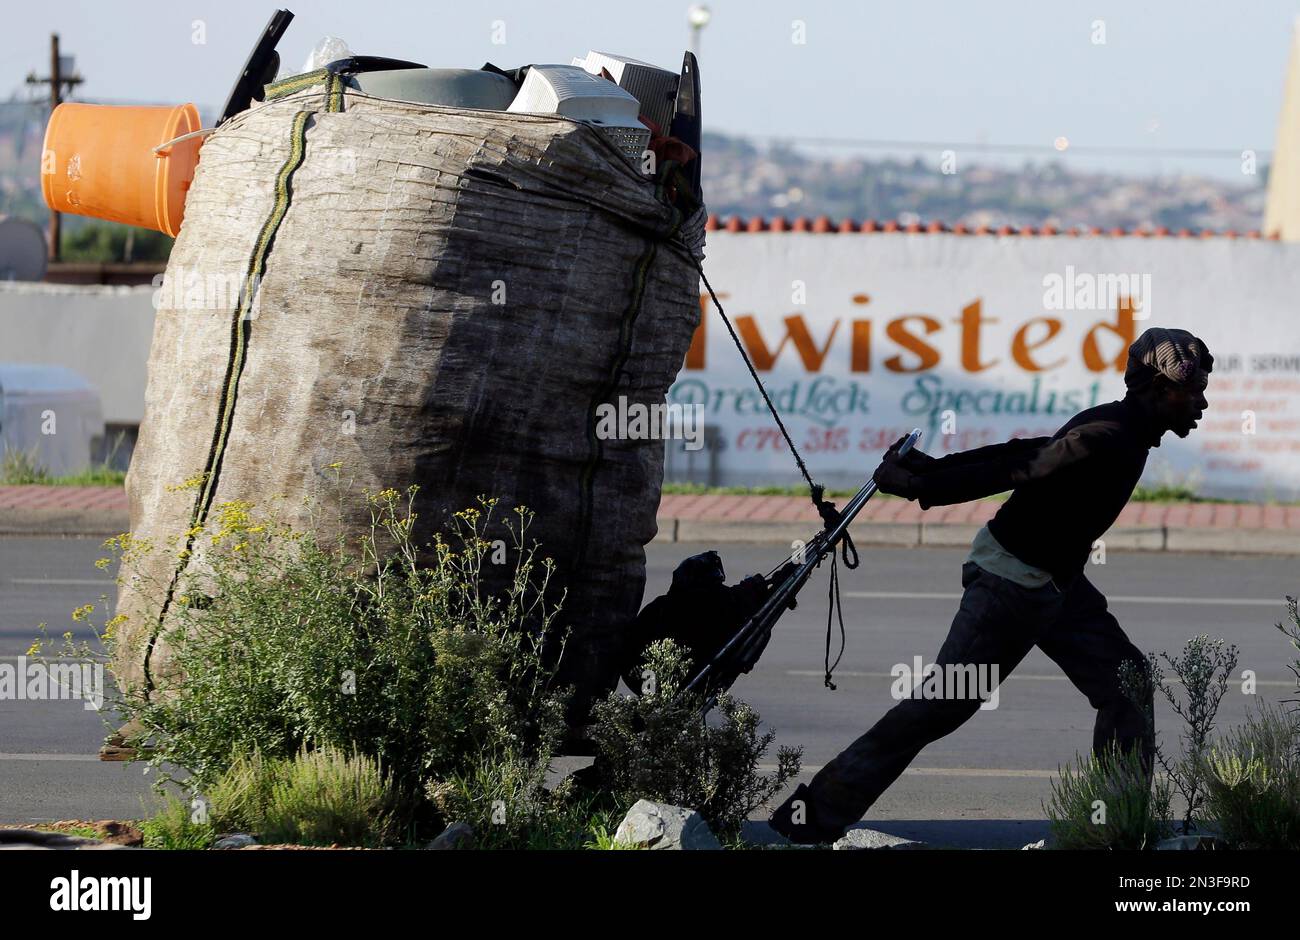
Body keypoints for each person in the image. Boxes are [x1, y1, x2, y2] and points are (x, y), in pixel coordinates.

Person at [768, 326, 1213, 844]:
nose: (1201, 402)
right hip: (1011, 584)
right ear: (1160, 390)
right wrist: (919, 484)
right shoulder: (1108, 434)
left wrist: (930, 470)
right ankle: (810, 817)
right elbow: (1016, 467)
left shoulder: (1118, 426)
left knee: (1128, 683)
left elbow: (1023, 451)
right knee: (938, 707)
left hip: (1057, 584)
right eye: (1194, 390)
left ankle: (1118, 826)